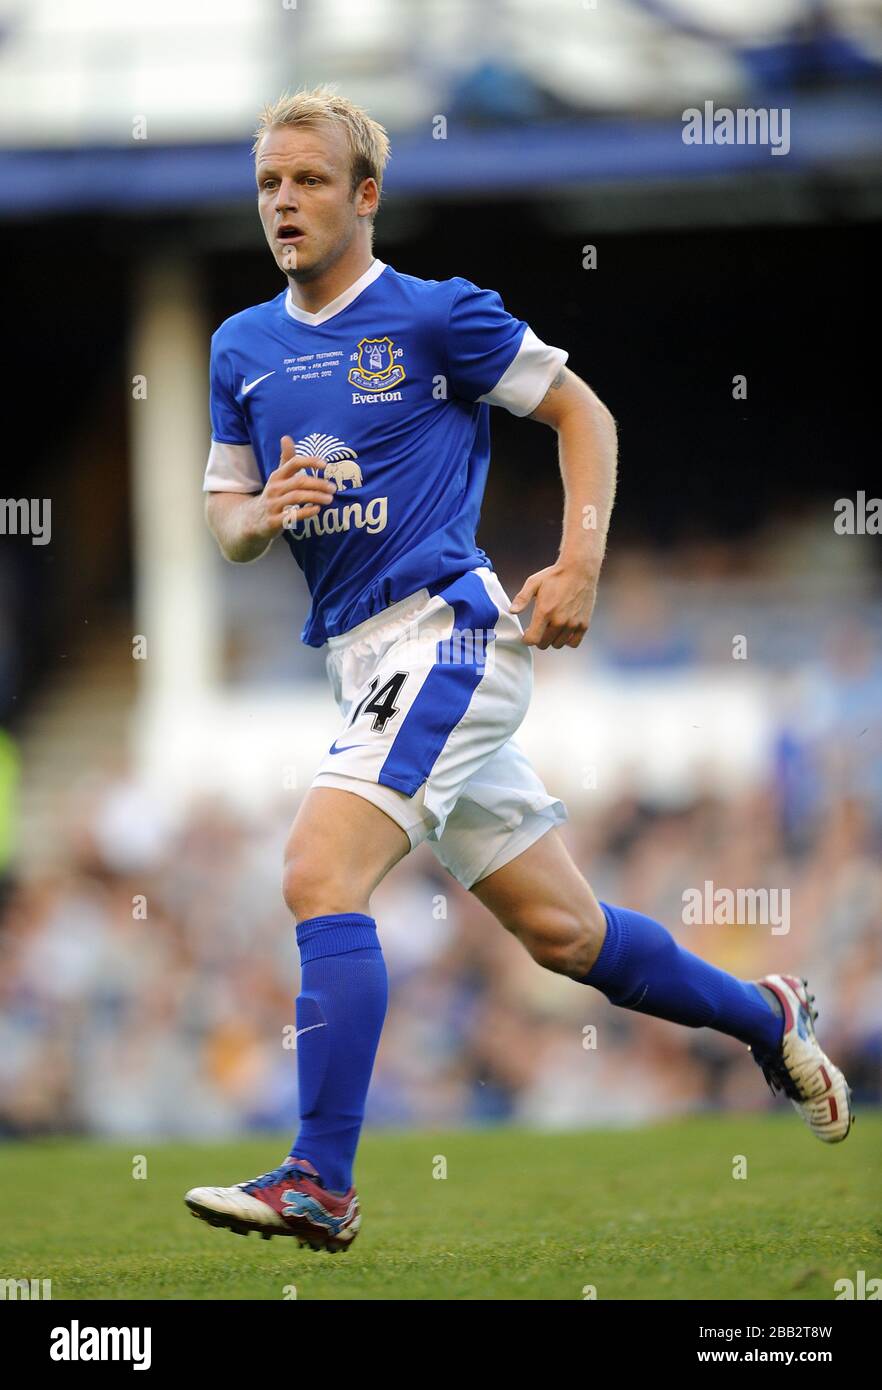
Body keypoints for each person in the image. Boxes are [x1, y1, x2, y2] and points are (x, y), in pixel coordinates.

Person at [185, 87, 852, 1253]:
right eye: (268, 185)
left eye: (309, 182)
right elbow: (225, 518)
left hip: (448, 637)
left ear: (366, 196)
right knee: (567, 936)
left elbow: (582, 413)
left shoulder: (439, 319)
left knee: (316, 871)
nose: (284, 203)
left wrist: (580, 563)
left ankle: (320, 1178)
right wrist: (262, 512)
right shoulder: (239, 346)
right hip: (357, 662)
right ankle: (767, 1014)